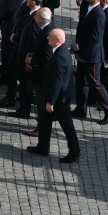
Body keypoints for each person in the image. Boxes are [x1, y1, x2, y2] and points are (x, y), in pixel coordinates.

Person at [26, 29, 80, 164]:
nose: (47, 38)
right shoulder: (61, 51)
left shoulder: (60, 56)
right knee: (44, 121)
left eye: (50, 36)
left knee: (67, 125)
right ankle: (43, 147)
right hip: (55, 96)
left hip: (59, 99)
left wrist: (51, 102)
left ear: (57, 40)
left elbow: (58, 81)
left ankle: (75, 151)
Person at [72, 0, 108, 125]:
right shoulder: (89, 8)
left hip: (92, 56)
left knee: (95, 84)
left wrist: (79, 46)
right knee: (81, 82)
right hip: (84, 54)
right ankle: (81, 108)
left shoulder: (98, 14)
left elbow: (95, 38)